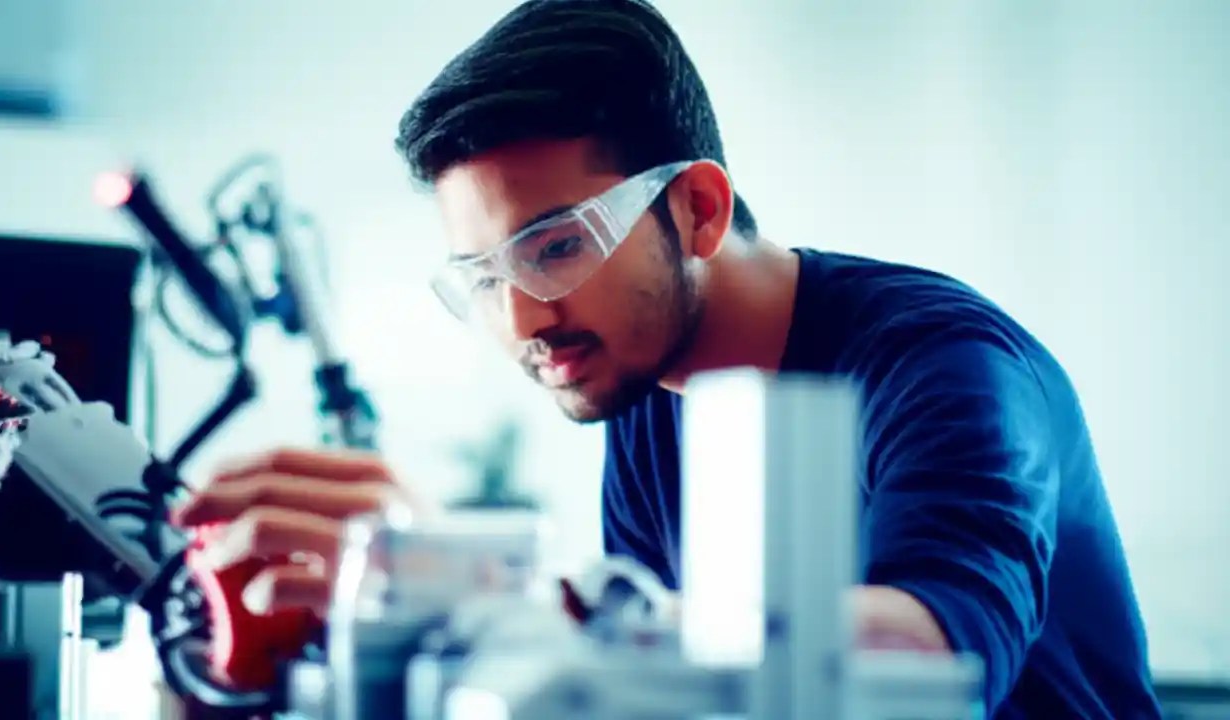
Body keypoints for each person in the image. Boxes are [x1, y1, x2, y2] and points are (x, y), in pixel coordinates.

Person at [171, 1, 1163, 717]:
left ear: (696, 209)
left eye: (555, 246)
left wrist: (510, 601)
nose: (521, 319)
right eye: (483, 275)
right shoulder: (647, 389)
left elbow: (937, 655)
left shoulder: (947, 367)